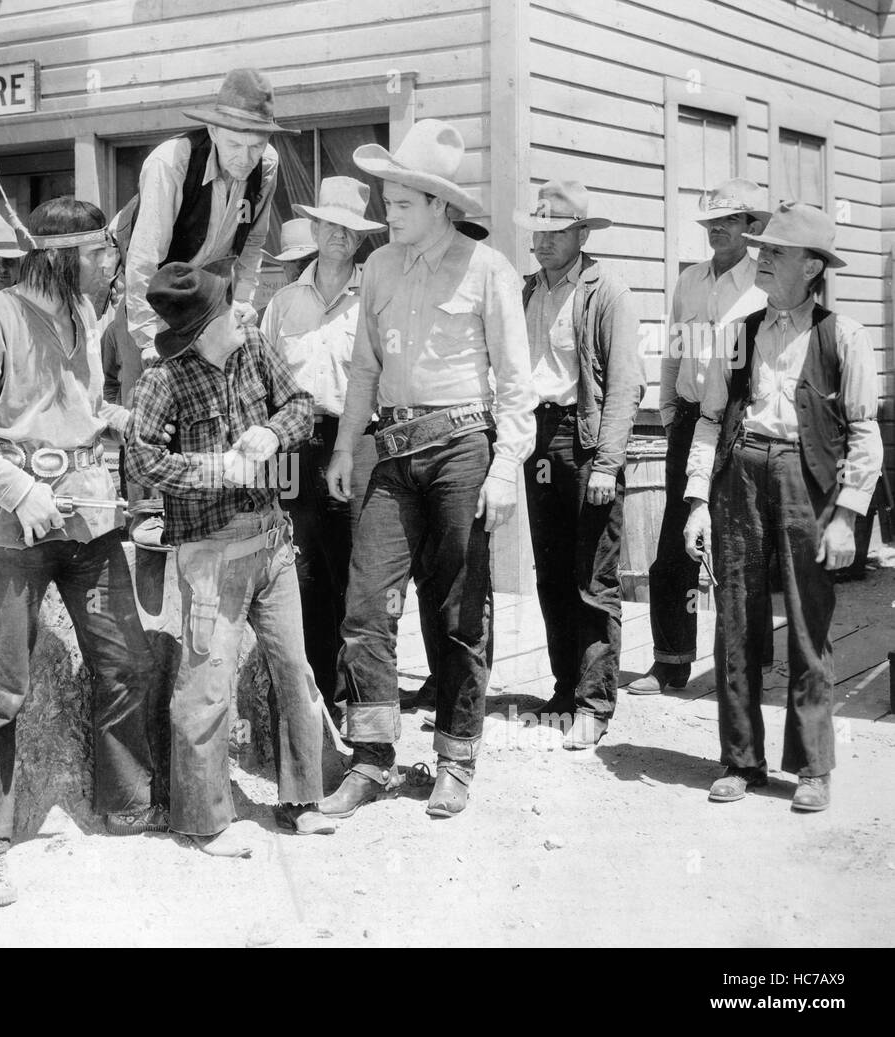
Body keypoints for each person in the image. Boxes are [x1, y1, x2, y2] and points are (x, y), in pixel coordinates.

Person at [0, 197, 165, 908]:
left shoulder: (82, 315)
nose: (109, 266)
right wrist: (20, 488)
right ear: (62, 255)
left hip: (87, 524)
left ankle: (128, 807)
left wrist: (124, 420)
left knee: (125, 660)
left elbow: (77, 406)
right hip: (15, 531)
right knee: (0, 691)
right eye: (99, 254)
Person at [320, 120, 537, 820]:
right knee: (365, 604)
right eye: (388, 199)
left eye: (402, 202)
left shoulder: (488, 270)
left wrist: (506, 468)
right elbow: (363, 369)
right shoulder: (379, 266)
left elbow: (515, 385)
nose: (389, 213)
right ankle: (373, 757)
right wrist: (346, 448)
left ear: (439, 205)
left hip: (463, 450)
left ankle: (455, 757)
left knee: (457, 611)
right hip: (390, 449)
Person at [126, 261, 331, 858]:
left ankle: (302, 801)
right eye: (230, 307)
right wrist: (214, 469)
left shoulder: (254, 349)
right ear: (202, 327)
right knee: (207, 685)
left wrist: (270, 434)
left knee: (294, 670)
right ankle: (204, 820)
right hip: (211, 556)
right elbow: (140, 462)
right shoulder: (162, 381)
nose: (244, 311)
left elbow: (300, 406)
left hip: (273, 546)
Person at [683, 202, 881, 813]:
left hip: (806, 483)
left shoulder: (842, 336)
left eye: (776, 251)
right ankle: (741, 759)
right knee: (736, 619)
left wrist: (847, 515)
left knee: (805, 621)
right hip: (739, 476)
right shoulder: (737, 334)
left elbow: (863, 431)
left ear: (813, 267)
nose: (760, 257)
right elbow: (712, 419)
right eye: (761, 248)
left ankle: (814, 766)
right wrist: (697, 502)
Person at [627, 178, 769, 696]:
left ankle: (743, 668)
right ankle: (670, 661)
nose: (717, 231)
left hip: (740, 425)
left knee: (736, 542)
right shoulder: (688, 280)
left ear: (750, 227)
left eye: (729, 221)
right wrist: (667, 411)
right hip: (690, 422)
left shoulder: (763, 284)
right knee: (674, 543)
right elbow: (673, 349)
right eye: (711, 222)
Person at [514, 181, 644, 748]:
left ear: (582, 234)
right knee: (551, 573)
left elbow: (624, 386)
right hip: (535, 440)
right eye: (537, 231)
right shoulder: (524, 292)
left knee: (594, 579)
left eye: (555, 232)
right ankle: (565, 689)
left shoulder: (606, 291)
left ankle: (594, 704)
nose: (542, 242)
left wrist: (606, 464)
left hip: (584, 439)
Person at [259, 176, 384, 722]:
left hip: (356, 443)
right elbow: (258, 378)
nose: (339, 235)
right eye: (330, 224)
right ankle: (310, 702)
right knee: (300, 571)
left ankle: (359, 699)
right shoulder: (284, 303)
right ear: (314, 227)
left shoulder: (376, 298)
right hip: (292, 445)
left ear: (360, 239)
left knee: (358, 571)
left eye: (350, 228)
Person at [123, 68, 289, 366]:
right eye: (235, 145)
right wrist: (148, 340)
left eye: (256, 146)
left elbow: (252, 241)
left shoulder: (267, 165)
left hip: (209, 306)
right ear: (213, 132)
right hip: (153, 304)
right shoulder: (171, 161)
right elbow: (143, 259)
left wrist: (242, 300)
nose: (245, 158)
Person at [261, 218, 318, 287]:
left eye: (306, 260)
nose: (299, 268)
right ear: (284, 266)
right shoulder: (280, 297)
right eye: (292, 261)